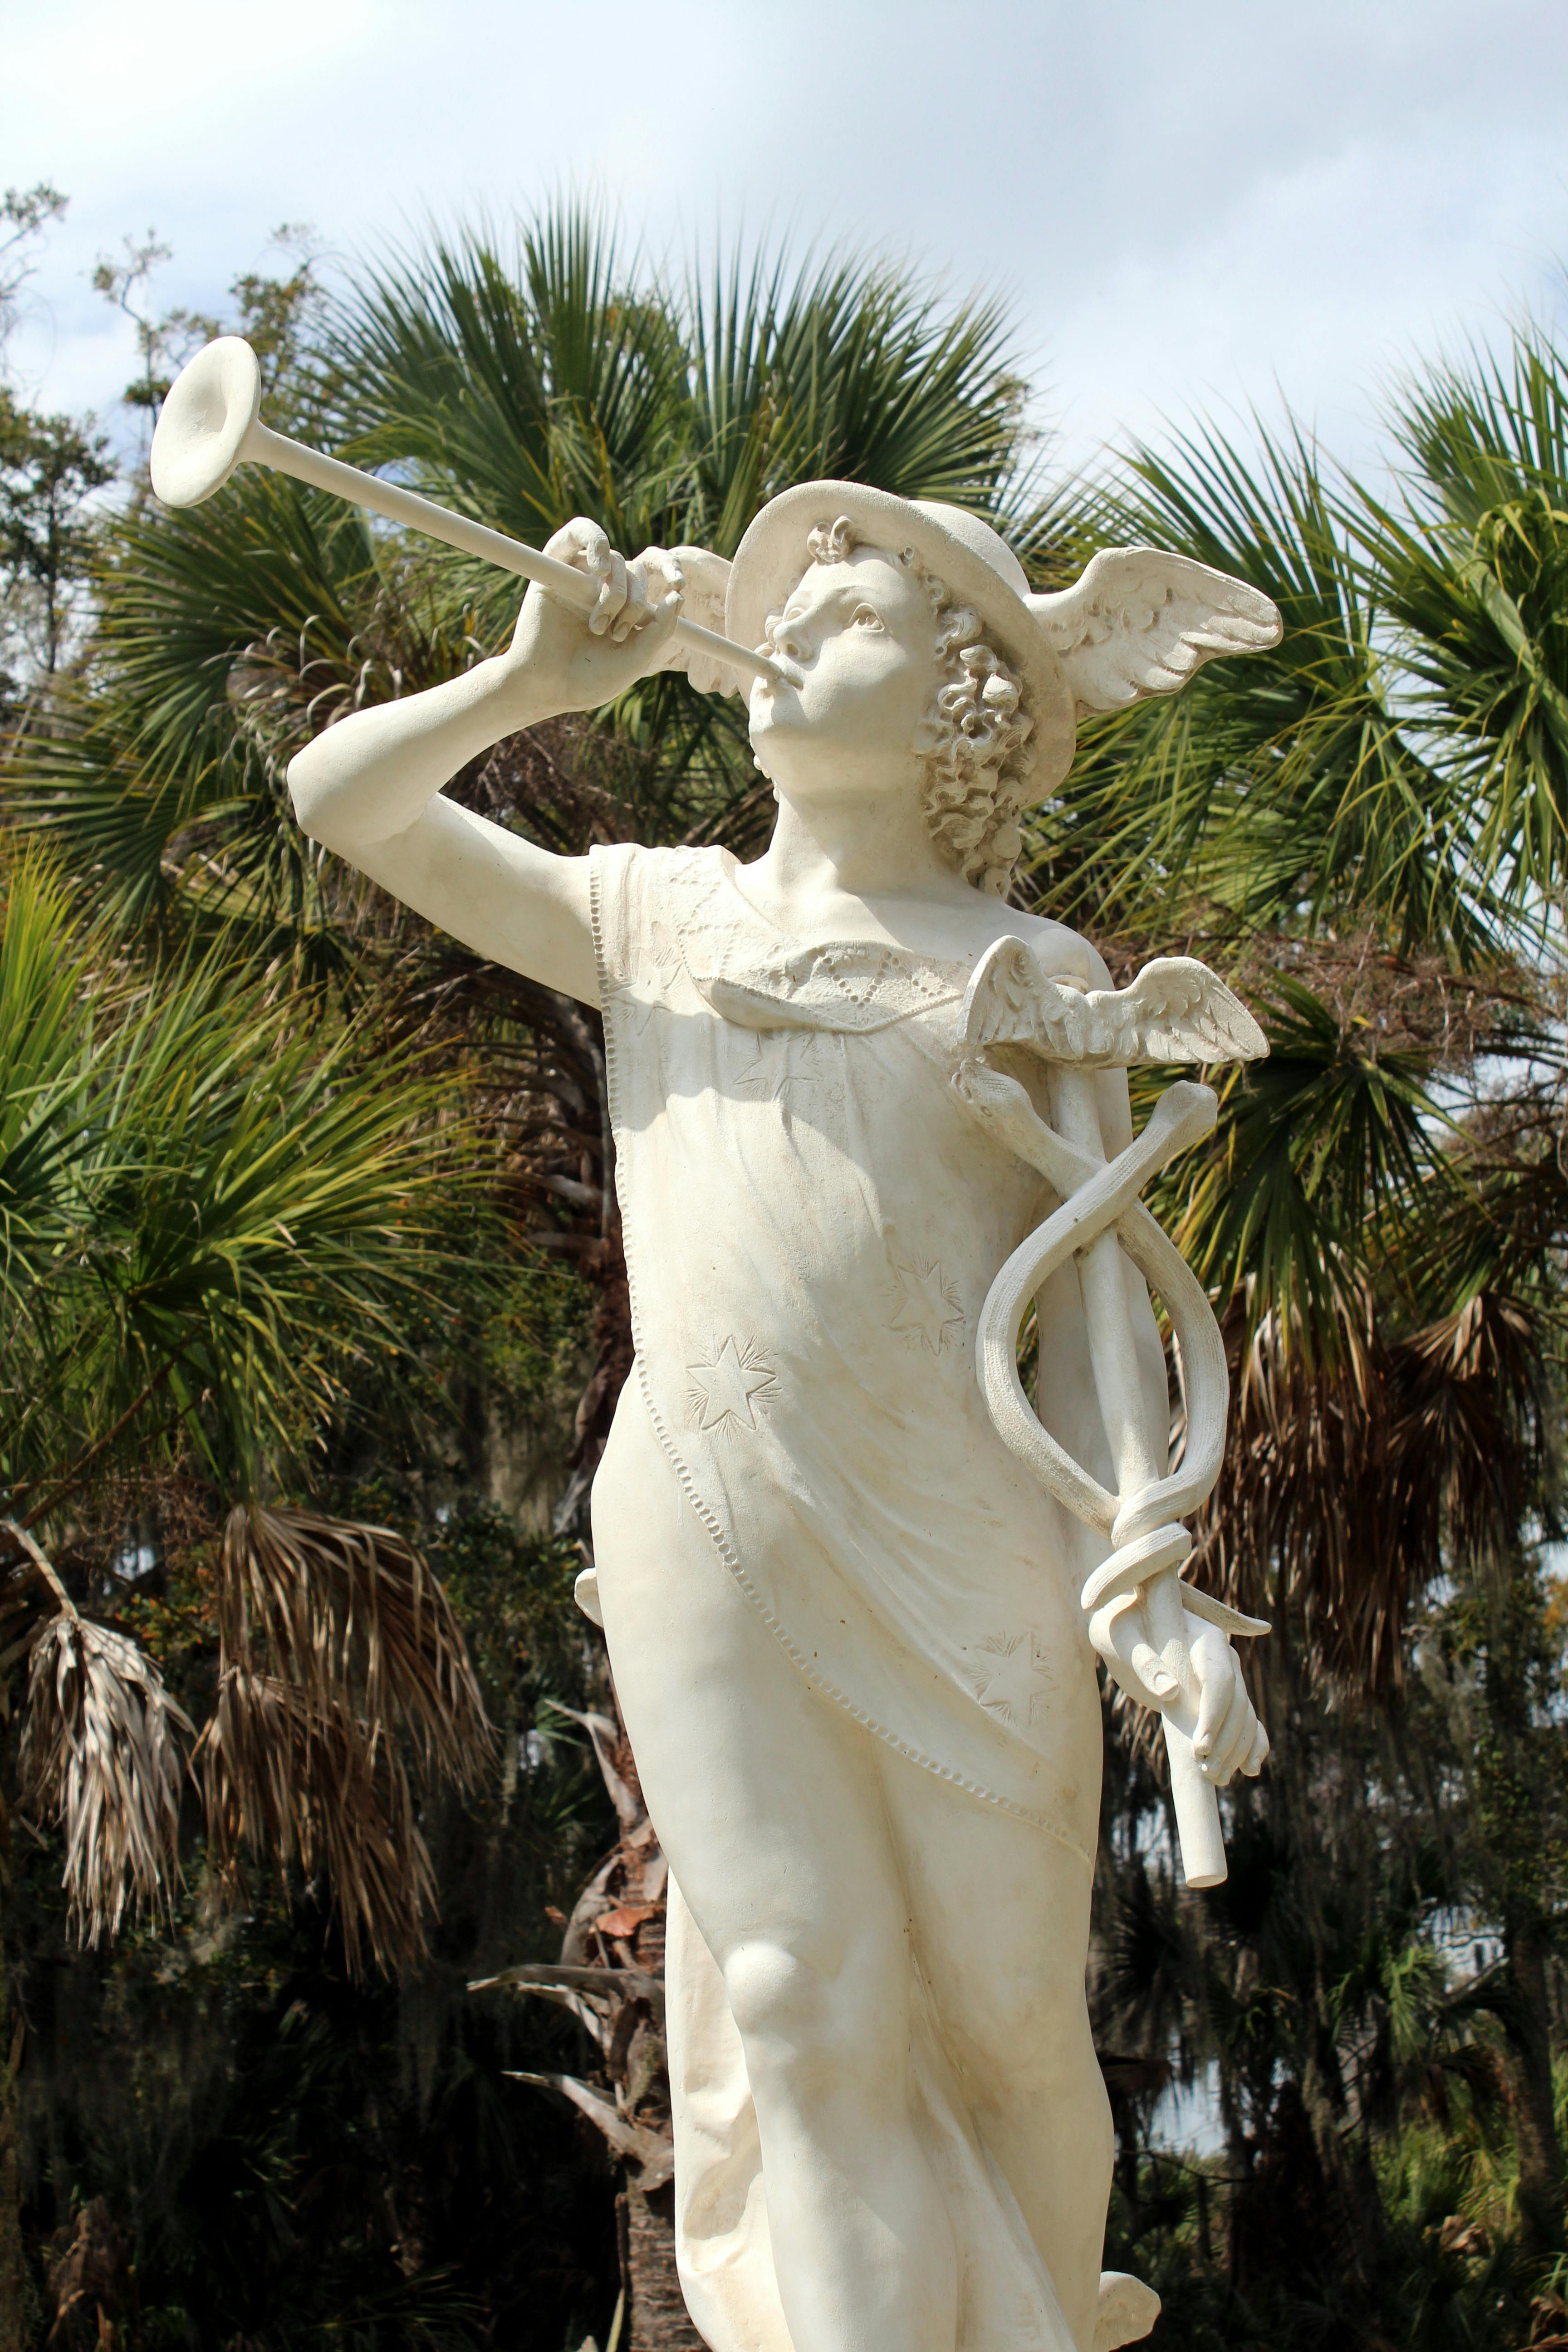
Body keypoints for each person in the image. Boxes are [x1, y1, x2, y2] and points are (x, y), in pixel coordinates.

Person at [289, 485, 1275, 2352]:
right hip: (713, 1506)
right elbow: (346, 802)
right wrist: (526, 676)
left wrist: (1142, 1574)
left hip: (971, 1542)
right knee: (808, 1999)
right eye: (784, 610)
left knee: (1003, 2025)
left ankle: (1047, 2314)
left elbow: (1086, 1299)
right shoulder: (662, 915)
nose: (792, 636)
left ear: (969, 701)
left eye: (854, 618)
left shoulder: (1037, 973)